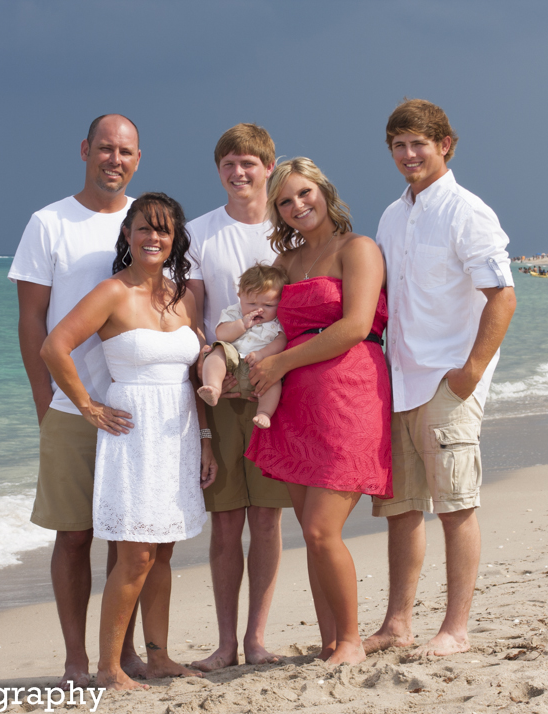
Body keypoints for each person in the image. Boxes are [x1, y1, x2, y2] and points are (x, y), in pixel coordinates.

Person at [41, 193, 217, 690]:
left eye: (163, 230)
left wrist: (205, 438)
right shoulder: (112, 292)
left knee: (163, 552)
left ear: (175, 239)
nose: (153, 237)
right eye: (144, 228)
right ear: (127, 234)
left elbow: (194, 373)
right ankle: (108, 667)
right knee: (135, 554)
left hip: (178, 430)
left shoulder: (184, 295)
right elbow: (54, 346)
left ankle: (158, 658)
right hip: (133, 434)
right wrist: (89, 406)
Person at [364, 99, 516, 658]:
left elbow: (502, 296)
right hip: (399, 381)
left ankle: (455, 628)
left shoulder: (467, 211)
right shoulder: (390, 215)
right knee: (402, 509)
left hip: (447, 383)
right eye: (399, 145)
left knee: (455, 505)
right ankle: (397, 623)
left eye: (418, 144)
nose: (408, 155)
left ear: (444, 145)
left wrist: (470, 373)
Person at [8, 114, 145, 686]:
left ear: (138, 160)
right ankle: (75, 659)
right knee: (74, 535)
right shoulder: (49, 223)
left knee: (128, 534)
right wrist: (48, 403)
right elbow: (31, 321)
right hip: (71, 407)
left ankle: (124, 652)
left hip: (132, 406)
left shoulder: (145, 221)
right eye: (106, 149)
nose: (115, 159)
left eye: (126, 152)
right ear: (86, 150)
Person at [247, 157, 392, 666]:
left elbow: (355, 326)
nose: (296, 206)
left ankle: (351, 640)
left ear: (325, 192)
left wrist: (282, 360)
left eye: (304, 193)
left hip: (348, 395)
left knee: (320, 529)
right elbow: (266, 324)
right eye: (284, 201)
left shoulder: (359, 248)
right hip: (294, 407)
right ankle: (331, 641)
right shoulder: (285, 265)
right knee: (309, 529)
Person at [185, 124, 292, 671]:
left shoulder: (290, 229)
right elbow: (190, 313)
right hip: (219, 387)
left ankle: (257, 640)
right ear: (219, 170)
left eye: (249, 162)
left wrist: (279, 366)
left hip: (277, 389)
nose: (239, 172)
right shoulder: (200, 233)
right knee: (227, 520)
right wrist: (207, 369)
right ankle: (226, 644)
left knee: (268, 518)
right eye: (229, 163)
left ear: (268, 167)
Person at [197, 264, 289, 429]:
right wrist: (242, 324)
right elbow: (222, 334)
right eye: (252, 303)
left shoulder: (277, 321)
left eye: (268, 305)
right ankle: (213, 387)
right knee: (218, 352)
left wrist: (262, 354)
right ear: (240, 296)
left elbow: (281, 341)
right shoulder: (234, 312)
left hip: (258, 368)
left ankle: (264, 412)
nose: (259, 309)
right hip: (231, 366)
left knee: (274, 381)